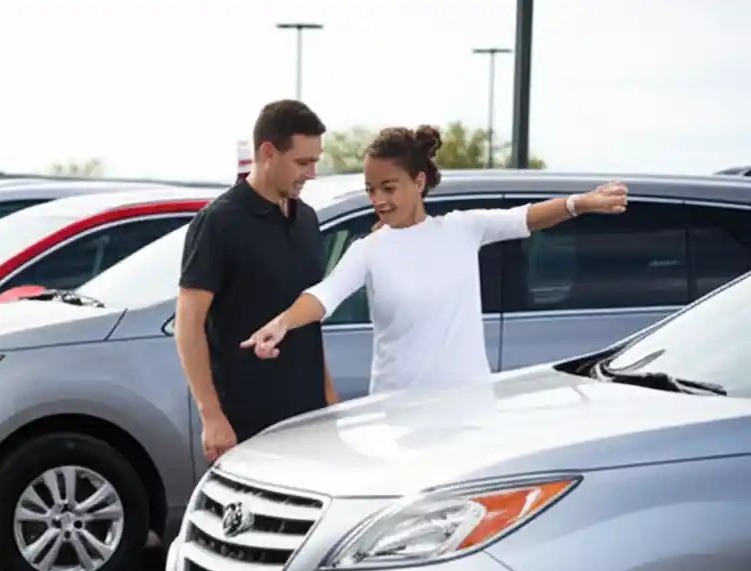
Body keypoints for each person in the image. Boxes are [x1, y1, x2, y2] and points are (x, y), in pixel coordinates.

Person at [241, 124, 629, 396]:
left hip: (467, 409)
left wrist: (583, 203)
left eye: (389, 188)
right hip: (397, 413)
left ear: (419, 182)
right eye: (371, 189)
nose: (378, 199)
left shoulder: (462, 229)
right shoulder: (369, 249)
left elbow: (526, 217)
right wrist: (282, 323)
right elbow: (324, 295)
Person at [176, 99, 339, 470]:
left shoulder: (307, 221)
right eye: (302, 162)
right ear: (268, 152)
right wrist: (212, 416)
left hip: (308, 420)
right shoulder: (219, 222)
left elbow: (307, 315)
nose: (312, 173)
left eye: (316, 161)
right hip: (244, 424)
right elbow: (188, 323)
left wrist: (329, 397)